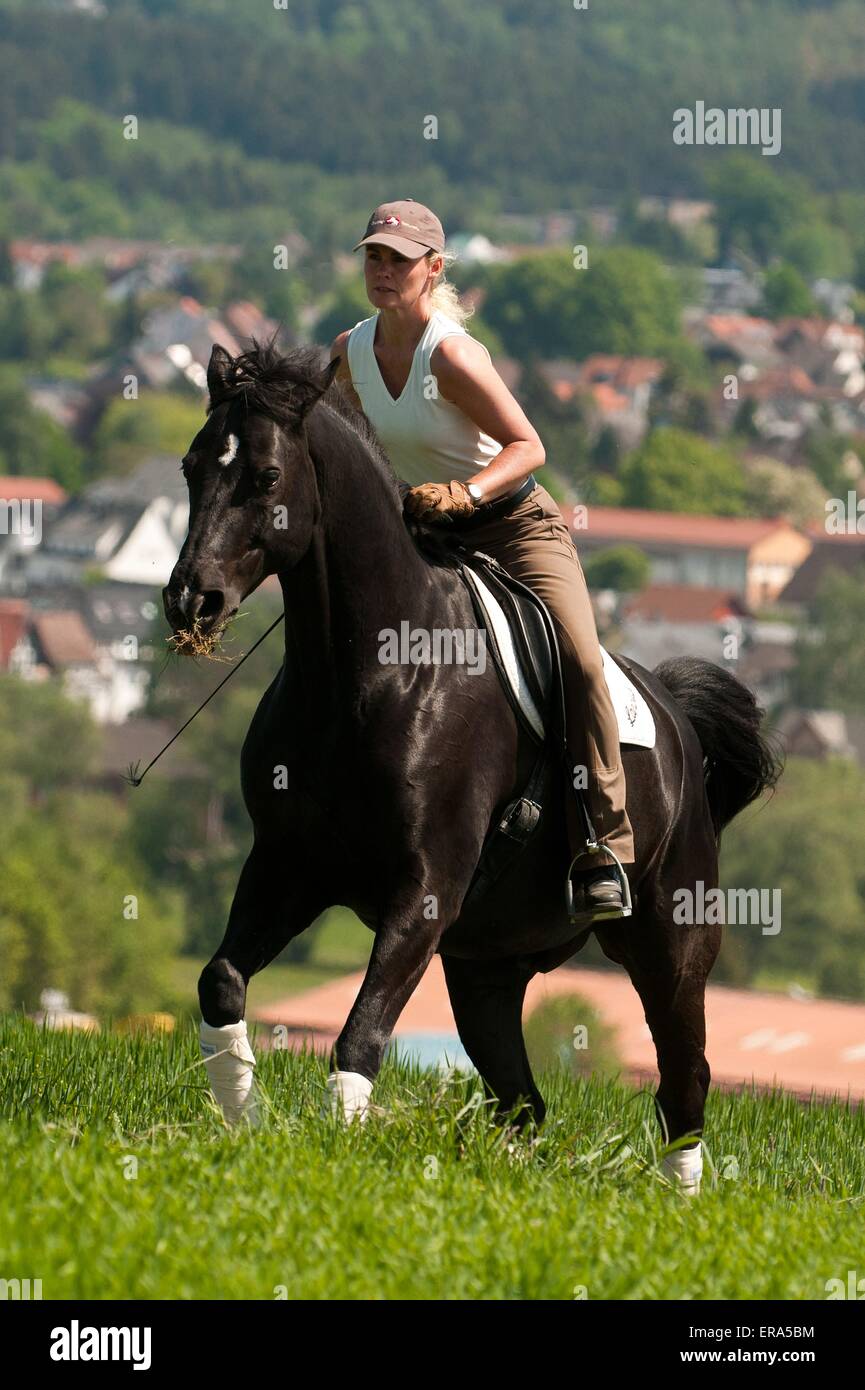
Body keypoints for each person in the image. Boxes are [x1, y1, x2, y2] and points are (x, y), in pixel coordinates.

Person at [329, 199, 634, 914]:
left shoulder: (453, 355)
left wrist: (465, 493)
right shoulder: (348, 351)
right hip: (425, 531)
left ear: (432, 270)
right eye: (373, 256)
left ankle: (604, 845)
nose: (382, 270)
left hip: (511, 526)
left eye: (398, 260)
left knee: (580, 660)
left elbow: (529, 446)